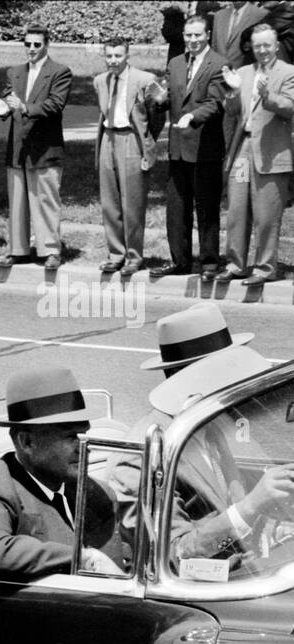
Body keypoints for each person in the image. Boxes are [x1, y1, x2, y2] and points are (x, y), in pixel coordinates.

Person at [109, 303, 268, 555]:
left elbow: (229, 506)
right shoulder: (146, 454)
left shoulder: (210, 427)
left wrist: (268, 528)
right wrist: (250, 507)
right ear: (185, 378)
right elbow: (169, 554)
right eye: (223, 370)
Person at [0, 367, 127, 582]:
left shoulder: (98, 493)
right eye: (71, 436)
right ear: (27, 442)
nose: (84, 447)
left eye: (84, 434)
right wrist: (83, 558)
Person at [149, 15, 229, 278]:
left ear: (207, 35)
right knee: (177, 208)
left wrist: (192, 117)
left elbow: (215, 103)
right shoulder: (175, 62)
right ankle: (180, 261)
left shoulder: (219, 64)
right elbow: (170, 95)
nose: (192, 40)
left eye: (197, 35)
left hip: (205, 147)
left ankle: (208, 262)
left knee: (206, 208)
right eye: (188, 35)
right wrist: (158, 100)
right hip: (177, 147)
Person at [215, 24, 294, 285]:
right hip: (243, 147)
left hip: (271, 150)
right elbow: (232, 110)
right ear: (252, 46)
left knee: (266, 214)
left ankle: (265, 269)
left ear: (276, 46)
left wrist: (267, 95)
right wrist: (232, 91)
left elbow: (289, 107)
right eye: (257, 45)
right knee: (236, 210)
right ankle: (236, 264)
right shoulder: (245, 71)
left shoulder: (288, 72)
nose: (262, 50)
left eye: (267, 45)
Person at [0, 27, 71, 270]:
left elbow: (54, 105)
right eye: (27, 44)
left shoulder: (60, 72)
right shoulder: (15, 72)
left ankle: (49, 250)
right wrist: (6, 109)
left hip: (45, 147)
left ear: (47, 45)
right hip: (18, 146)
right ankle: (18, 250)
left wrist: (24, 107)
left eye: (37, 44)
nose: (31, 49)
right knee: (17, 200)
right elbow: (10, 101)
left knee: (46, 200)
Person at [93, 38, 163, 276]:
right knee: (109, 201)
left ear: (127, 55)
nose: (113, 60)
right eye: (109, 55)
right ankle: (116, 253)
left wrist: (147, 143)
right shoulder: (100, 81)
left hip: (131, 139)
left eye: (118, 56)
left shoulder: (144, 80)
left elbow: (157, 115)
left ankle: (134, 255)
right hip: (108, 139)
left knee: (132, 201)